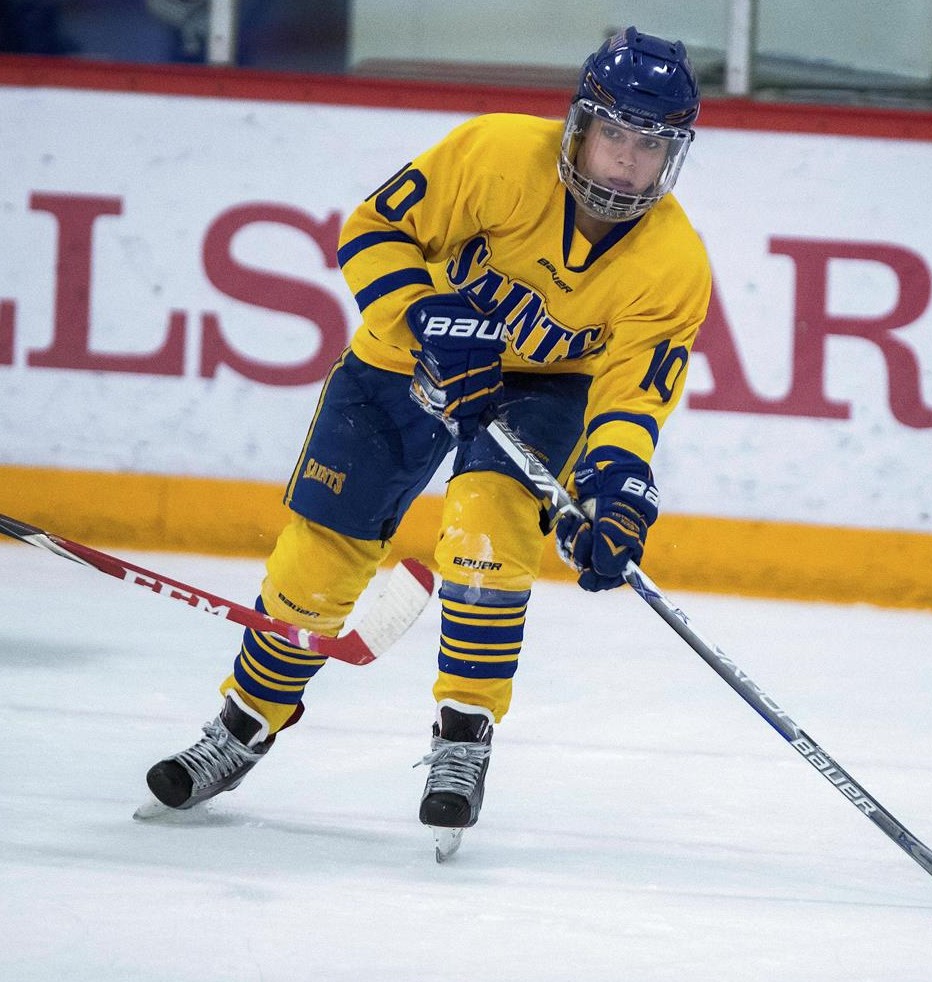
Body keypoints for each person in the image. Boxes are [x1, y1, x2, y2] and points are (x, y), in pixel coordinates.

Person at [142, 26, 711, 841]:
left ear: (673, 156)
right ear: (580, 124)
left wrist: (617, 492)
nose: (625, 160)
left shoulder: (673, 265)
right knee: (318, 560)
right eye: (613, 132)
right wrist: (428, 315)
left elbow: (631, 399)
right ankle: (241, 728)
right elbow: (371, 230)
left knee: (489, 533)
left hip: (546, 391)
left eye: (649, 145)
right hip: (407, 357)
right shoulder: (495, 154)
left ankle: (463, 739)